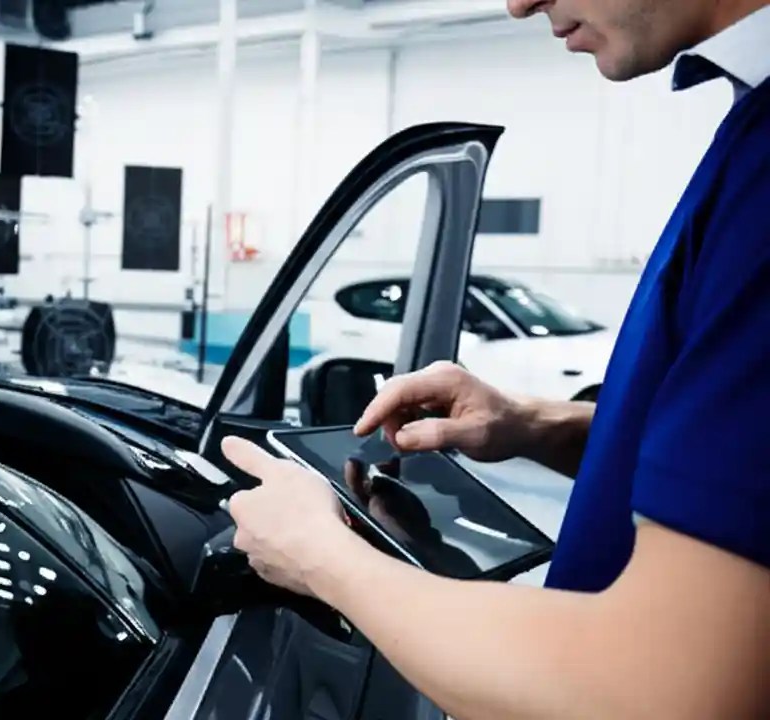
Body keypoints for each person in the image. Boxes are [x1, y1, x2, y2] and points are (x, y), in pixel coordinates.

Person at [219, 1, 770, 718]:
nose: (519, 2)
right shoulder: (748, 137)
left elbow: (655, 690)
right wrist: (534, 426)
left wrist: (319, 555)